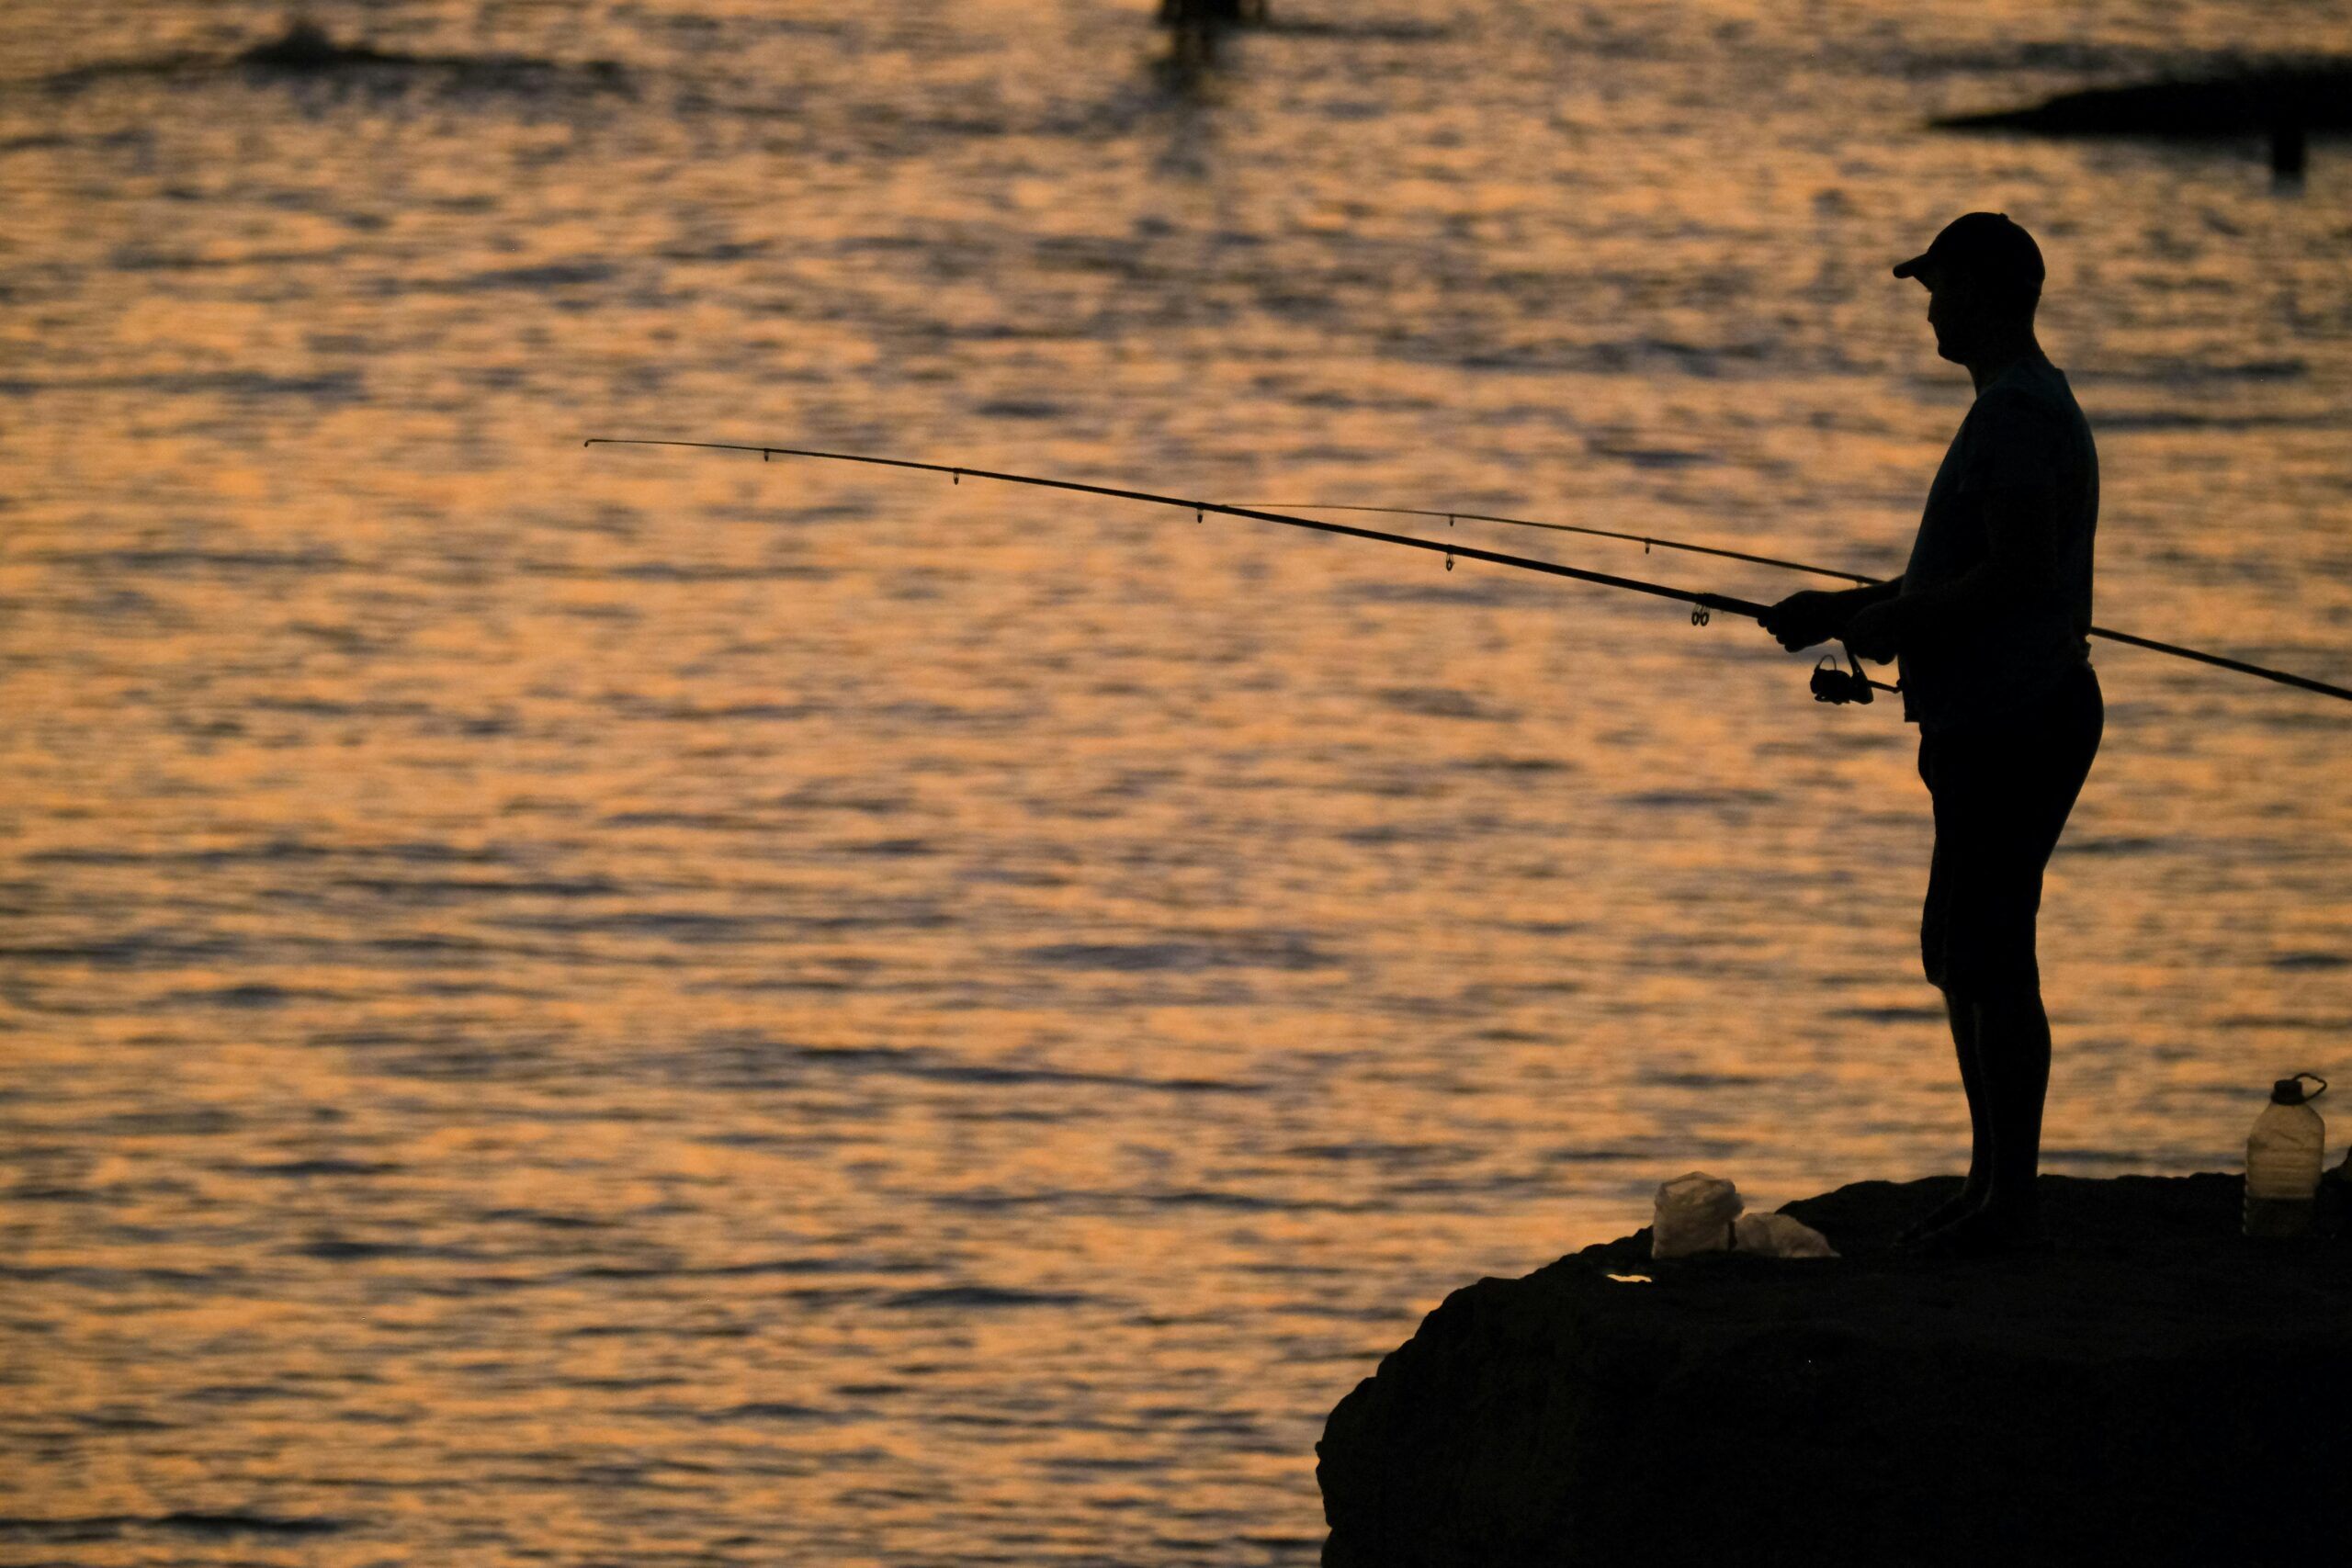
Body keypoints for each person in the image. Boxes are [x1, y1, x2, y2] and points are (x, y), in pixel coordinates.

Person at [1760, 212, 2103, 1258]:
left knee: (1990, 951)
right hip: (1990, 715)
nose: (1928, 308)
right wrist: (1839, 607)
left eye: (1939, 288)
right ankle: (1991, 1183)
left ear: (1987, 296)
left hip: (2015, 719)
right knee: (1959, 947)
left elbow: (2018, 574)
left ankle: (2010, 1201)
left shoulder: (2013, 415)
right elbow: (1972, 571)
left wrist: (1894, 620)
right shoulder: (2020, 406)